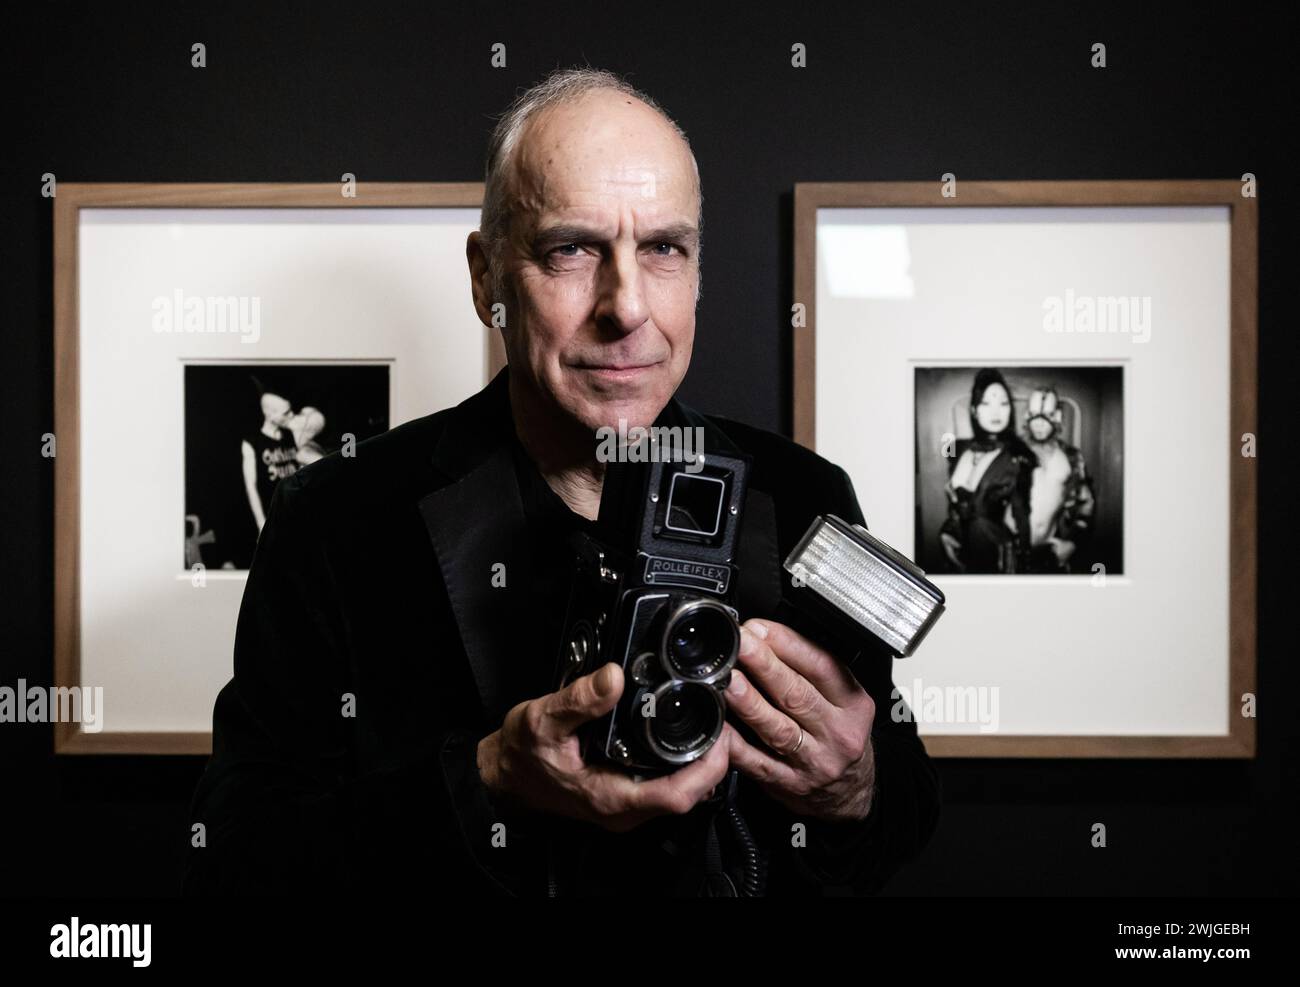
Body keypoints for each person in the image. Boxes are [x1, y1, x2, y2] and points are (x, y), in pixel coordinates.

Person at [185, 68, 941, 897]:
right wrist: (488, 780)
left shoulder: (800, 496)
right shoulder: (338, 520)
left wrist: (851, 787)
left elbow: (902, 821)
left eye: (663, 249)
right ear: (487, 280)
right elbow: (242, 849)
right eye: (571, 249)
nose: (626, 306)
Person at [938, 369, 1035, 574]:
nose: (996, 412)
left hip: (996, 555)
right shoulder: (960, 450)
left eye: (1003, 403)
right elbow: (956, 507)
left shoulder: (1018, 457)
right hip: (961, 553)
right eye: (986, 403)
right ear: (974, 410)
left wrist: (1025, 568)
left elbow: (1022, 516)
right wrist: (947, 533)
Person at [1021, 386, 1095, 573]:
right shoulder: (1013, 454)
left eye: (1046, 415)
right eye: (1035, 415)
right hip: (1008, 552)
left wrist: (1072, 541)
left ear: (1057, 417)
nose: (1039, 423)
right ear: (1026, 415)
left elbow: (1085, 504)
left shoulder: (1072, 458)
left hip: (1049, 553)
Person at [240, 388, 299, 534]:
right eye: (285, 412)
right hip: (274, 518)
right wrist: (262, 525)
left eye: (290, 410)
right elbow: (251, 487)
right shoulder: (251, 443)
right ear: (269, 414)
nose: (291, 415)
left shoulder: (291, 435)